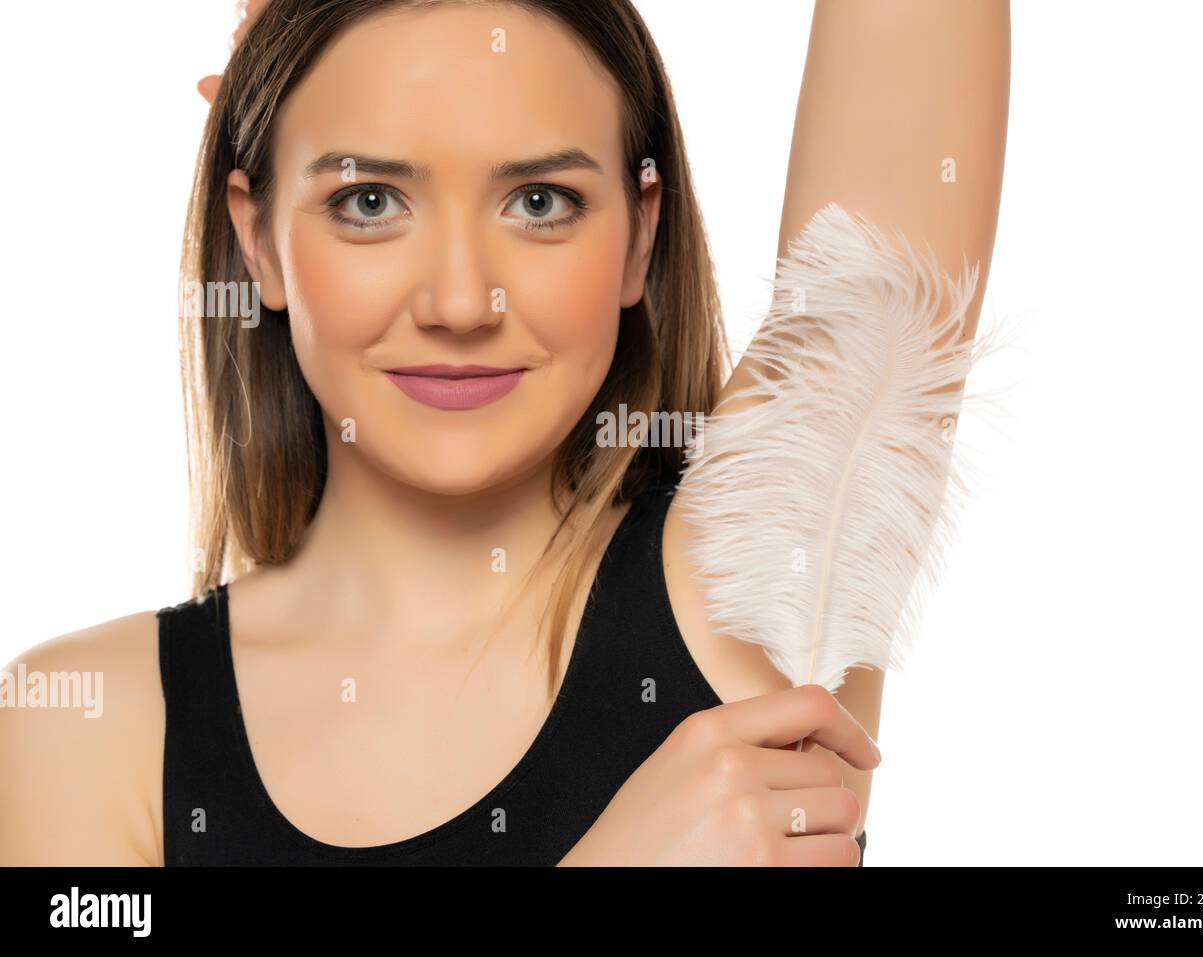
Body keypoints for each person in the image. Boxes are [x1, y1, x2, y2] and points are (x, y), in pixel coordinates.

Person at [0, 0, 1008, 866]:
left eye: (539, 201)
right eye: (368, 200)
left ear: (639, 238)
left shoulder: (750, 584)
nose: (458, 301)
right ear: (257, 237)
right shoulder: (90, 723)